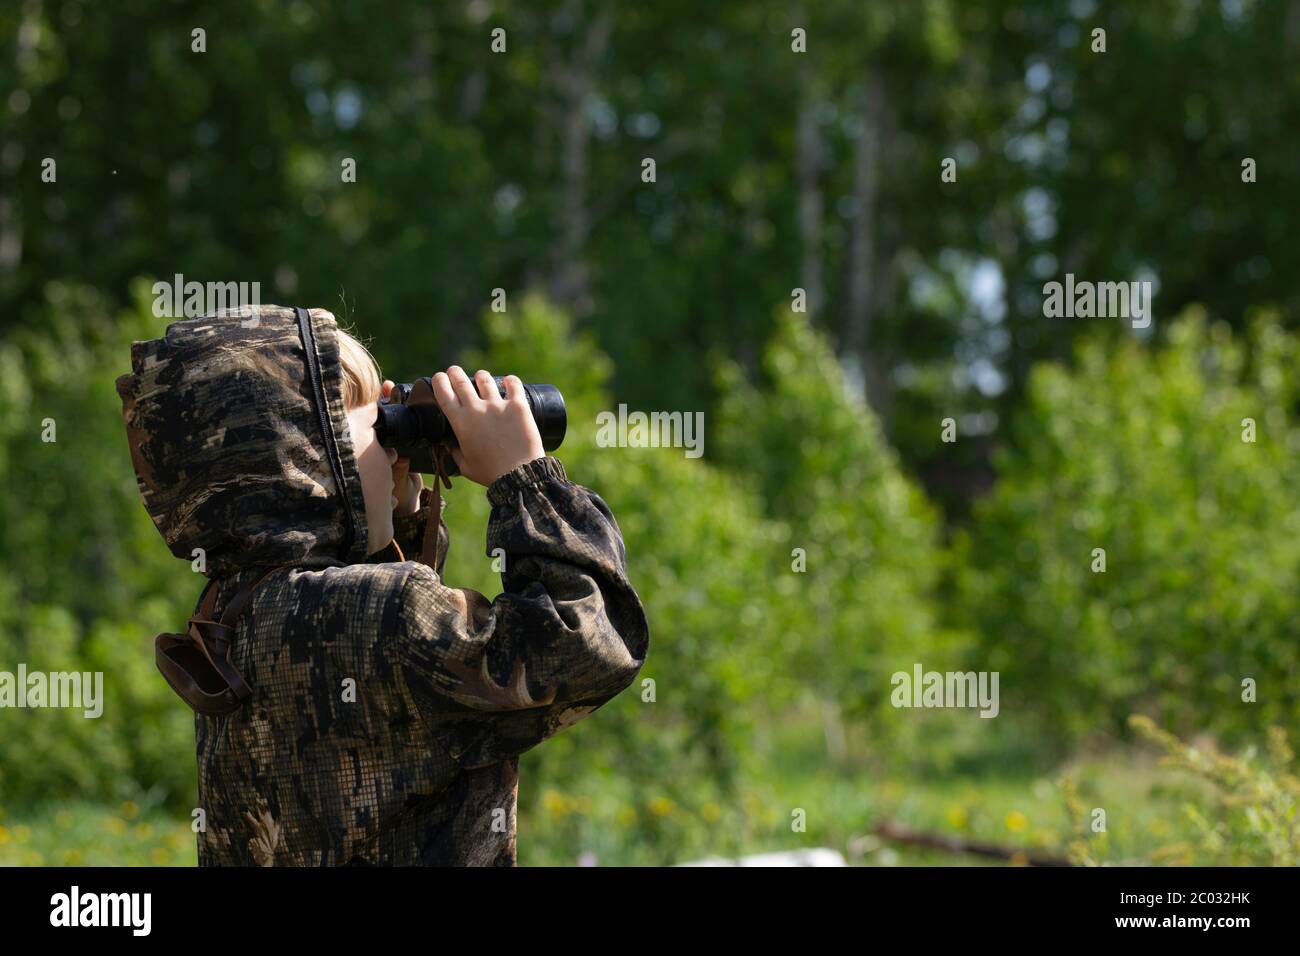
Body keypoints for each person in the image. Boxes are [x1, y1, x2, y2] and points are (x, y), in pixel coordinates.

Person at [115, 304, 649, 865]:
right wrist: (526, 482)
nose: (395, 448)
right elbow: (587, 643)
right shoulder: (381, 615)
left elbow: (395, 691)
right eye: (378, 430)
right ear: (310, 461)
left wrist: (400, 511)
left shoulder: (236, 608)